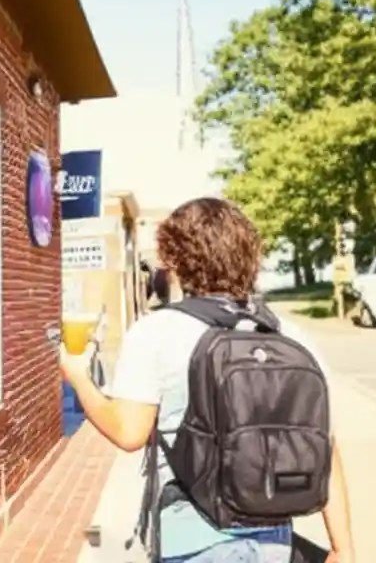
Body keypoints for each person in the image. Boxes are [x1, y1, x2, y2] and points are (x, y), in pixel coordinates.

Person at [60, 198, 355, 563]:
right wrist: (342, 547)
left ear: (176, 262)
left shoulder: (156, 332)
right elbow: (323, 444)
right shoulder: (289, 335)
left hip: (194, 538)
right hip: (275, 536)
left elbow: (128, 432)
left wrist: (78, 377)